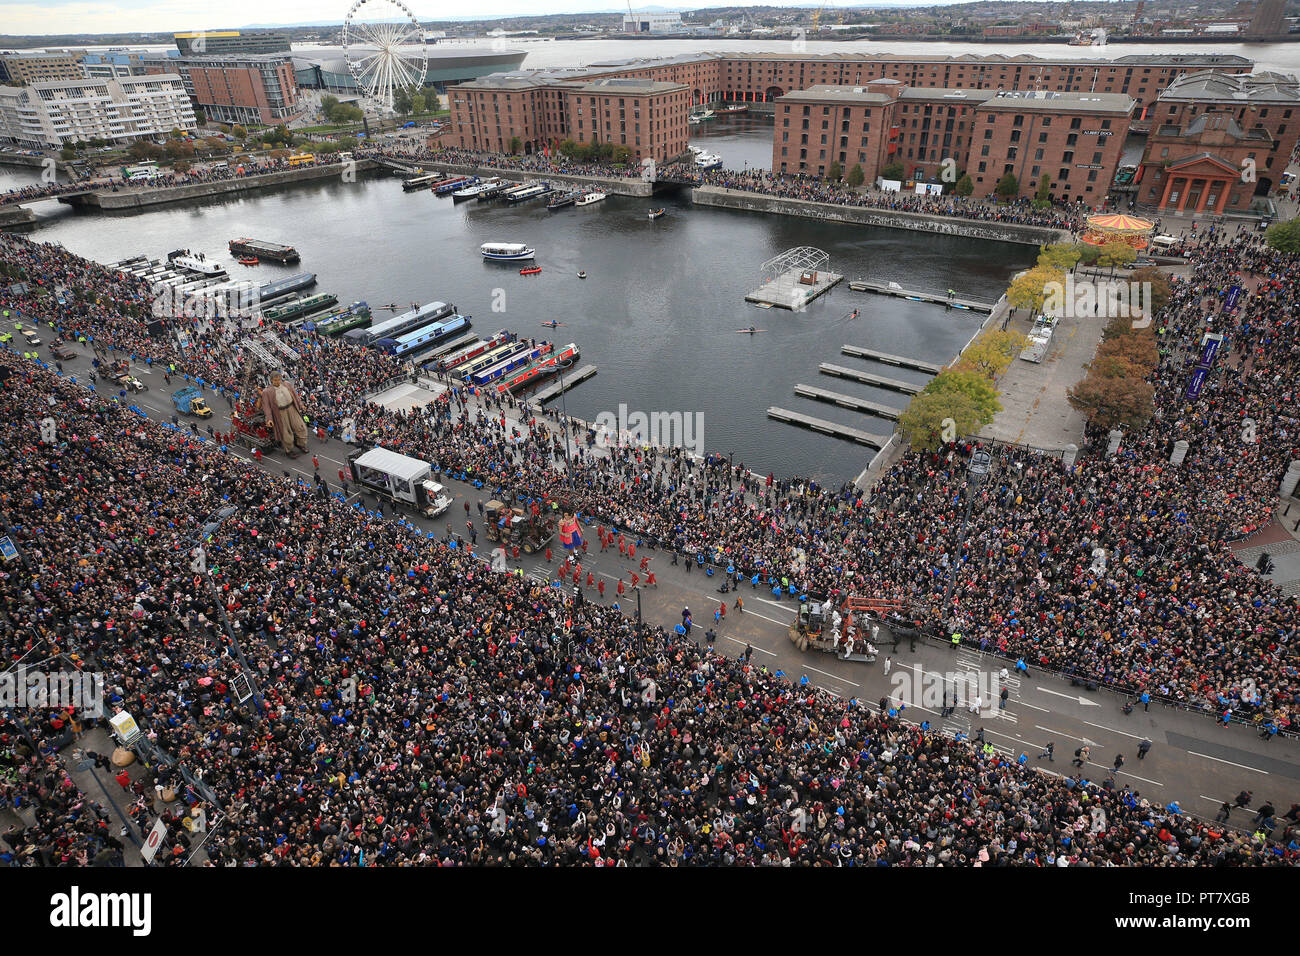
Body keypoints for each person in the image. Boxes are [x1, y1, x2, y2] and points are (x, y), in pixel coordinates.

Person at [259, 370, 310, 457]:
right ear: (271, 380)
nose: (278, 382)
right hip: (280, 412)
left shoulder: (287, 384)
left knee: (301, 427)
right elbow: (266, 407)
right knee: (286, 433)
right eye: (275, 380)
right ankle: (289, 450)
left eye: (279, 379)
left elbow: (295, 395)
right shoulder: (267, 392)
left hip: (292, 408)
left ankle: (301, 444)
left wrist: (301, 405)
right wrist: (269, 419)